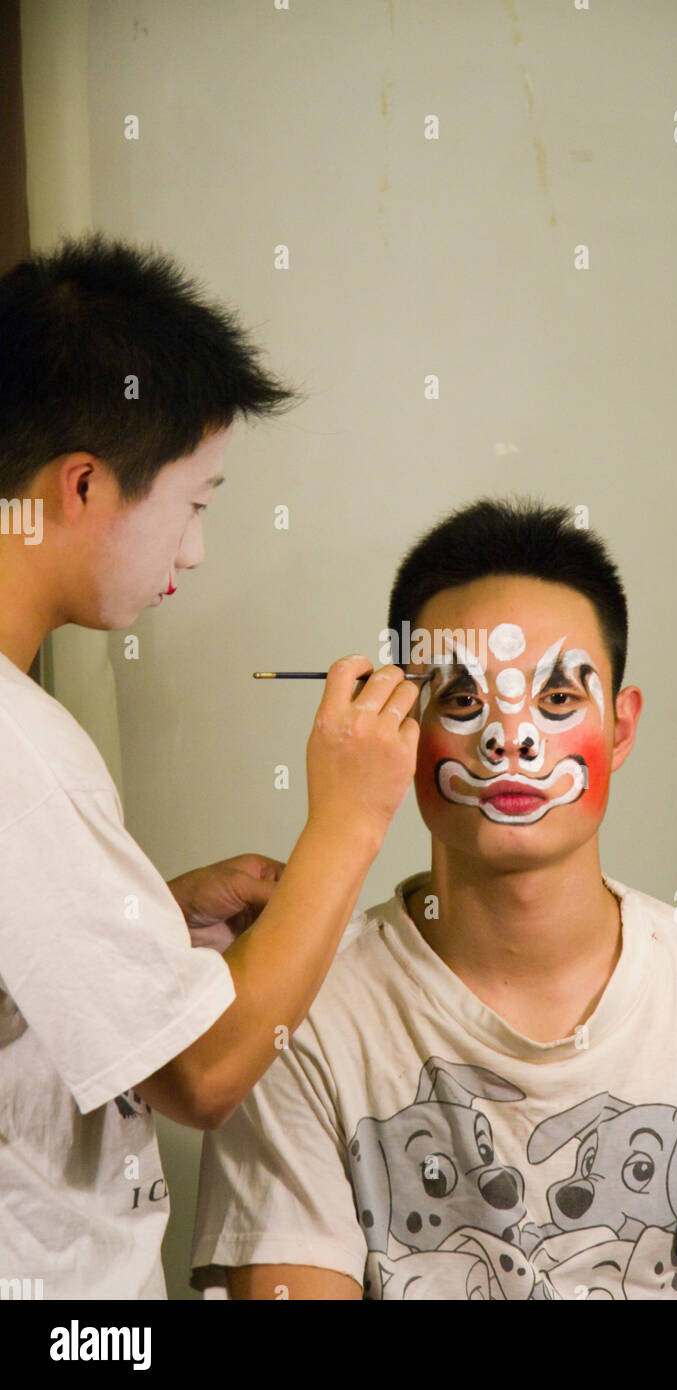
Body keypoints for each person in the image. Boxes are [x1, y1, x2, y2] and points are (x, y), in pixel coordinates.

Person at [191, 497, 677, 1302]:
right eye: (463, 701)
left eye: (558, 701)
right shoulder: (298, 1015)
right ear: (402, 727)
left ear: (622, 729)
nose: (510, 738)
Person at [0, 232, 419, 1299]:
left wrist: (152, 917)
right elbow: (206, 1073)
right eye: (195, 503)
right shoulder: (20, 745)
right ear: (84, 485)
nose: (193, 551)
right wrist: (347, 825)